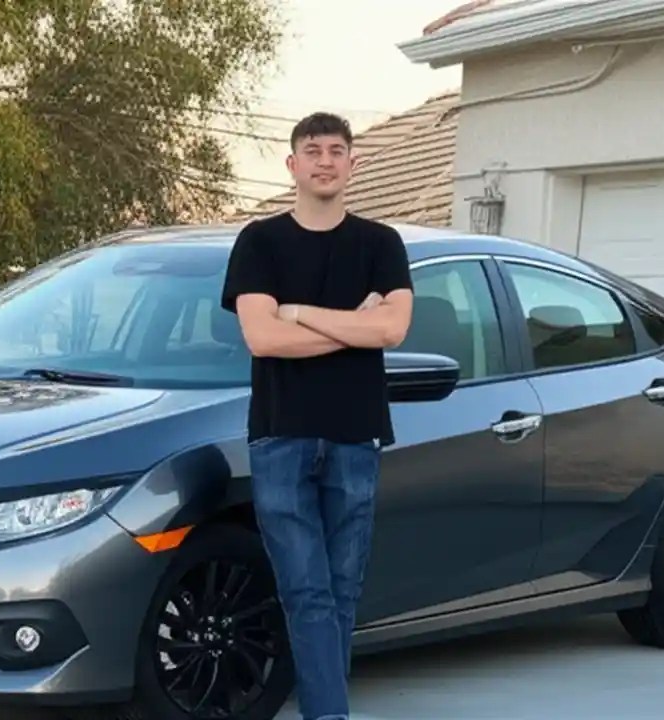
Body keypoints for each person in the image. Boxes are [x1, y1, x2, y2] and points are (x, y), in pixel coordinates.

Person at [219, 112, 414, 720]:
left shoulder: (381, 244)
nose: (324, 160)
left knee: (341, 592)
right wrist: (354, 327)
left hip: (356, 435)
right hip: (281, 436)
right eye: (312, 150)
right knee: (306, 591)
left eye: (336, 150)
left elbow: (394, 328)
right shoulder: (260, 241)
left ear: (352, 163)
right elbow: (263, 339)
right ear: (293, 164)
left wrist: (299, 312)